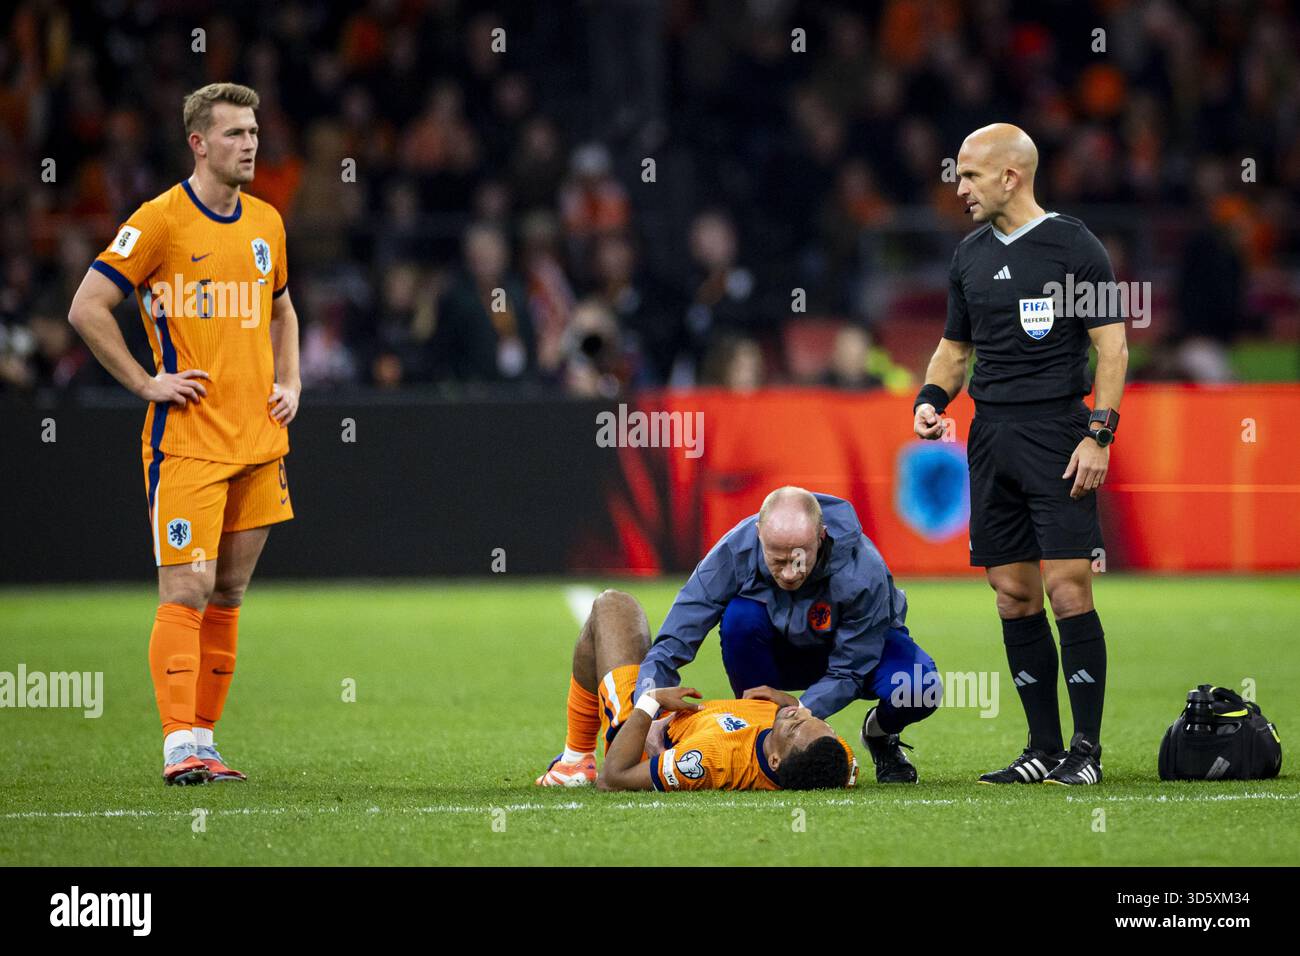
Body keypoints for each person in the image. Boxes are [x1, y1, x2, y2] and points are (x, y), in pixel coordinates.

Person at [68, 83, 301, 785]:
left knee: (227, 593)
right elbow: (87, 306)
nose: (251, 144)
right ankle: (178, 745)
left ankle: (205, 742)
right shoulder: (160, 221)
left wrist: (291, 383)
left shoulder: (267, 223)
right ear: (198, 144)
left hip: (260, 442)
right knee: (186, 588)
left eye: (254, 131)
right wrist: (144, 382)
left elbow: (284, 309)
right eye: (235, 133)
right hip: (188, 442)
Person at [913, 123, 1128, 786]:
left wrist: (1099, 435)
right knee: (1012, 593)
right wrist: (930, 398)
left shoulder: (1074, 246)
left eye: (971, 175)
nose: (960, 187)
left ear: (1011, 176)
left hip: (1057, 434)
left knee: (1068, 587)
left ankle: (1085, 752)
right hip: (991, 437)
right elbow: (955, 350)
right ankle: (1041, 748)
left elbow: (1113, 348)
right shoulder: (970, 255)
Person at [632, 486, 940, 784]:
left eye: (799, 558)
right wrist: (644, 710)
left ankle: (879, 735)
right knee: (741, 617)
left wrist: (800, 710)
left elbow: (850, 668)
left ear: (821, 537)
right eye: (777, 560)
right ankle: (759, 729)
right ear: (759, 537)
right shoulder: (733, 551)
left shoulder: (864, 570)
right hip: (780, 654)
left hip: (857, 654)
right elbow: (672, 641)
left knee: (919, 687)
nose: (790, 573)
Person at [535, 589, 857, 791]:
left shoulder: (709, 759)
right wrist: (787, 702)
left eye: (795, 724)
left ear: (774, 761)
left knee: (613, 606)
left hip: (640, 733)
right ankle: (573, 761)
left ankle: (575, 760)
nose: (795, 713)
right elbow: (838, 762)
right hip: (677, 716)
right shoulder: (827, 752)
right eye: (811, 718)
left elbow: (613, 778)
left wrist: (650, 703)